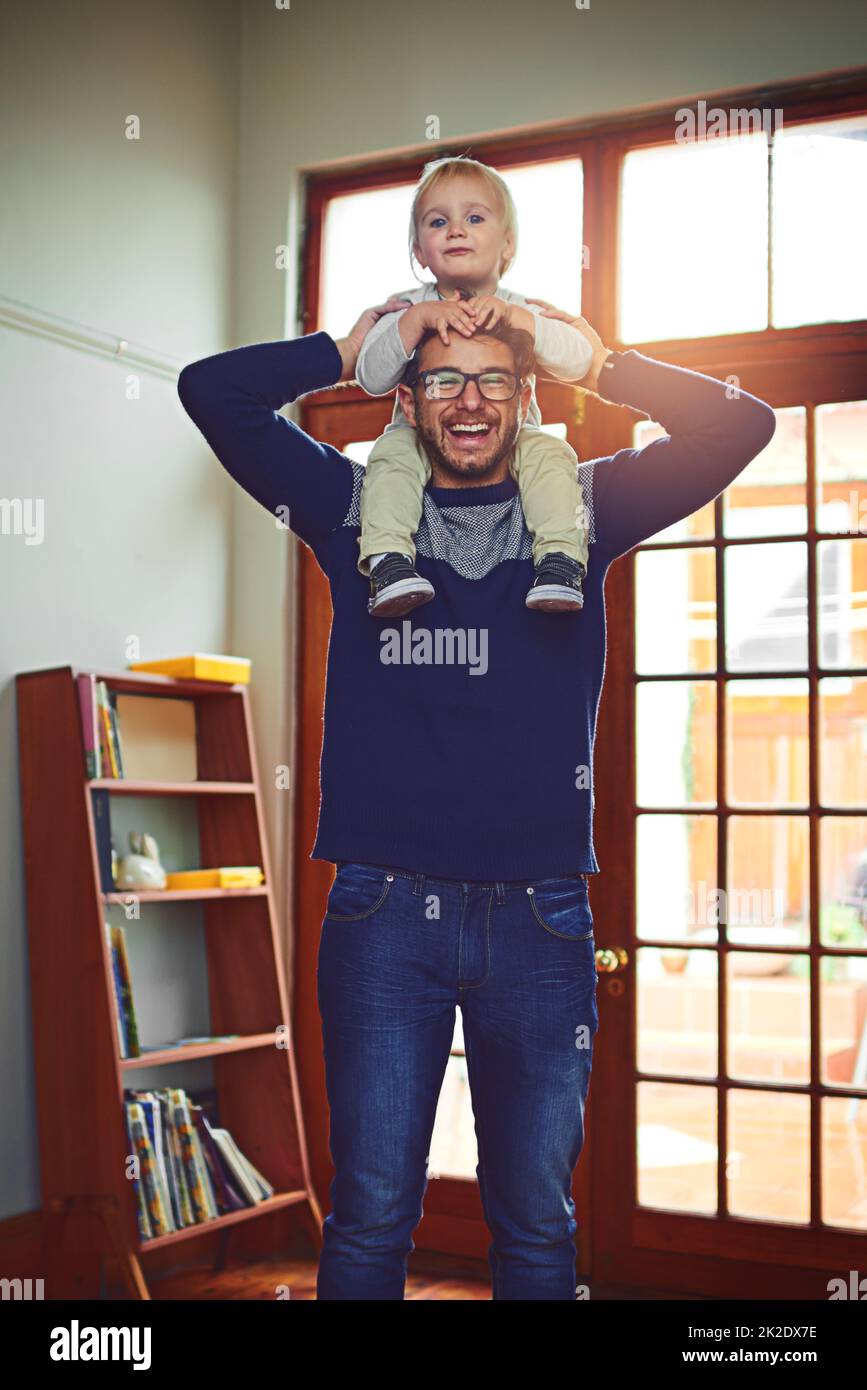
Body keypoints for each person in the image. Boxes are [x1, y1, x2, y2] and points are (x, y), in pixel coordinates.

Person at [177, 297, 776, 1300]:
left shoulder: (581, 508)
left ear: (527, 395)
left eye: (495, 378)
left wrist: (599, 361)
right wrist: (346, 350)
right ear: (407, 401)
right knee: (370, 1215)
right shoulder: (354, 508)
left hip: (540, 917)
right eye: (443, 378)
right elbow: (213, 393)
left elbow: (739, 424)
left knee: (537, 1225)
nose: (469, 400)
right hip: (381, 913)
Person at [354, 155, 595, 617]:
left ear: (507, 245)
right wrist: (415, 322)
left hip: (514, 438)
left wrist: (524, 322)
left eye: (475, 218)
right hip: (420, 436)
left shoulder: (522, 307)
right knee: (389, 456)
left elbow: (579, 359)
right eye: (438, 221)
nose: (456, 231)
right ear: (419, 251)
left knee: (553, 455)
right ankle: (389, 561)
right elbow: (371, 376)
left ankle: (560, 561)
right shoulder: (406, 307)